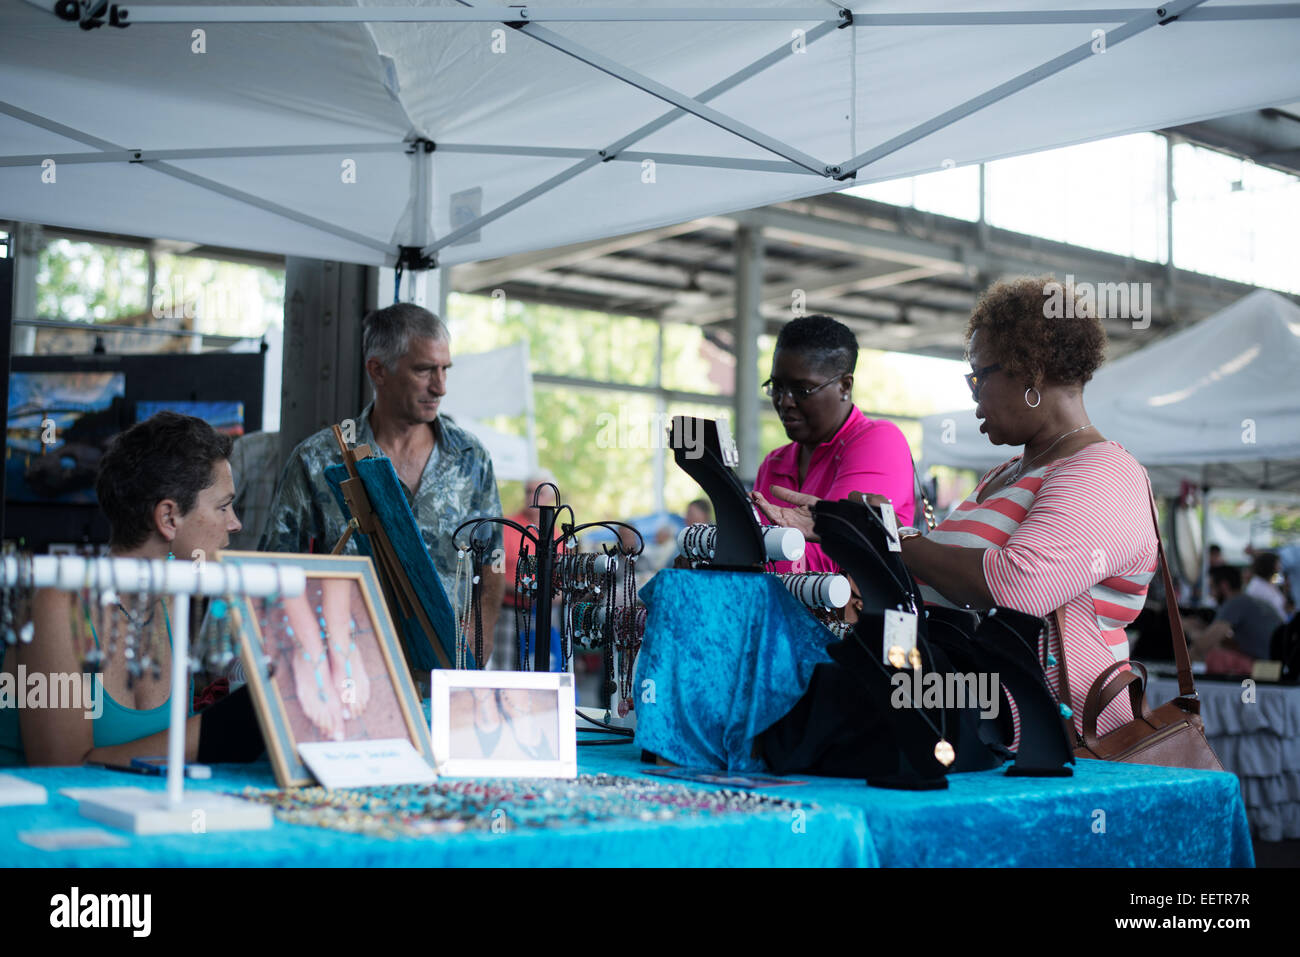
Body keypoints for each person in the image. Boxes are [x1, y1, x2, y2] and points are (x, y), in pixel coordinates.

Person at [757, 277, 1159, 739]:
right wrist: (846, 532)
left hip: (1038, 728)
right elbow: (936, 577)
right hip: (965, 699)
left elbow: (1017, 586)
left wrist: (886, 536)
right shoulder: (1003, 475)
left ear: (1029, 373)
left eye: (978, 375)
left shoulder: (1102, 472)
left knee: (809, 708)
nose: (972, 393)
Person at [0, 412, 255, 766]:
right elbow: (63, 770)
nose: (235, 523)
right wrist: (222, 727)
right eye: (224, 507)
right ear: (168, 518)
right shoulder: (58, 604)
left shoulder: (175, 601)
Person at [261, 303, 505, 659]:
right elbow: (276, 571)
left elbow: (492, 564)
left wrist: (471, 653)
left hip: (444, 672)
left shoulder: (471, 458)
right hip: (345, 671)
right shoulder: (320, 459)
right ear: (378, 370)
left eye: (444, 370)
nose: (440, 388)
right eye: (424, 371)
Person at [750, 314, 916, 574]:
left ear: (844, 386)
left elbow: (834, 556)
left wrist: (740, 563)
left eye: (801, 390)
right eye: (777, 387)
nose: (784, 401)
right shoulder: (774, 462)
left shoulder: (880, 442)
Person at [1187, 565, 1284, 664]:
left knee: (1204, 653)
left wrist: (1188, 628)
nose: (1211, 594)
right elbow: (1233, 643)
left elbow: (1204, 644)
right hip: (1276, 664)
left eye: (1212, 587)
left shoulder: (1235, 603)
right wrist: (1203, 629)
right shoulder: (1248, 601)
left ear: (1224, 585)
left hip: (1265, 668)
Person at [1245, 552, 1287, 620]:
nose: (1280, 567)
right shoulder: (1256, 586)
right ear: (1270, 565)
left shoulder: (1271, 581)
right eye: (1277, 564)